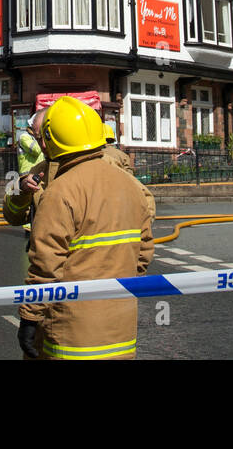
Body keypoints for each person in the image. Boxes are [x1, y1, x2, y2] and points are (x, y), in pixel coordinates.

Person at [17, 96, 153, 360]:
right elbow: (144, 252)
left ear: (52, 141)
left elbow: (45, 266)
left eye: (44, 138)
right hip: (121, 330)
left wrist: (29, 318)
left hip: (72, 334)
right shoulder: (130, 185)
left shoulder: (60, 192)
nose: (41, 144)